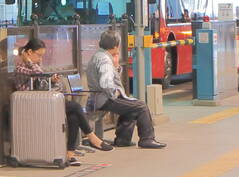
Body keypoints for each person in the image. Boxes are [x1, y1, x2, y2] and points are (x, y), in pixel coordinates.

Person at [12, 36, 114, 166]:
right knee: (75, 107)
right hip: (31, 106)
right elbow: (39, 74)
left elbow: (42, 82)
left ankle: (70, 154)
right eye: (38, 55)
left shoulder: (31, 66)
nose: (40, 59)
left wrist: (52, 80)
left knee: (73, 116)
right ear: (29, 52)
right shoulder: (21, 68)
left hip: (42, 102)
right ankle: (92, 137)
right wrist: (30, 62)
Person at [85, 32, 166, 149]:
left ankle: (123, 139)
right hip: (105, 99)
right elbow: (105, 83)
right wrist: (116, 93)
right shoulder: (105, 60)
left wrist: (116, 66)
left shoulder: (98, 56)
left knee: (130, 108)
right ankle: (147, 139)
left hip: (96, 98)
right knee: (141, 106)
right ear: (115, 46)